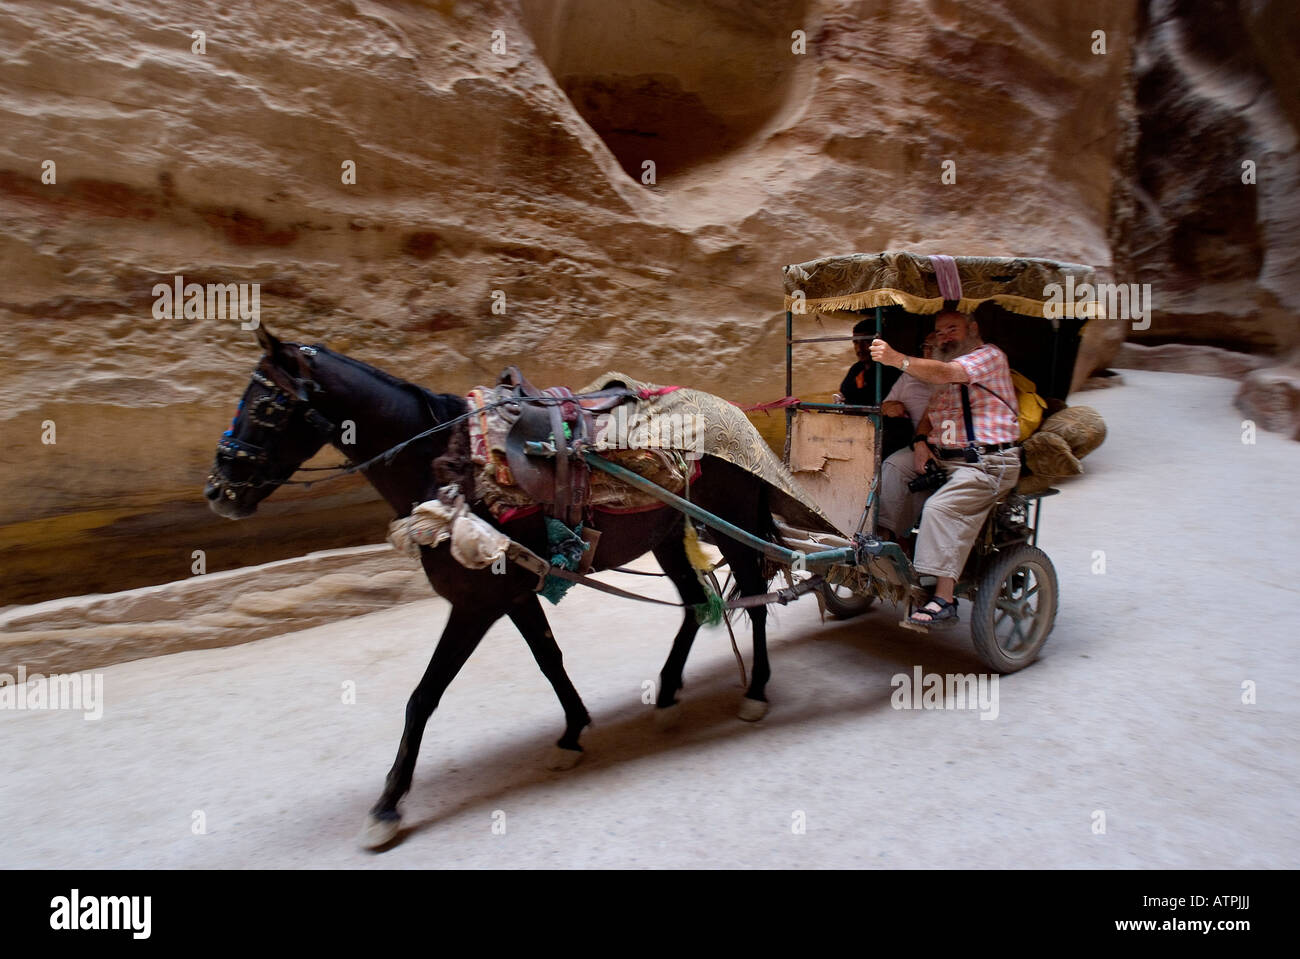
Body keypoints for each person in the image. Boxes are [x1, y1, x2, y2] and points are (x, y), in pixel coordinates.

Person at [869, 310, 1020, 628]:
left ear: (973, 328)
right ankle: (889, 548)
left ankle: (944, 599)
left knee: (940, 509)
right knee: (894, 468)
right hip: (943, 456)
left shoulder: (989, 356)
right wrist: (920, 441)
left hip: (987, 462)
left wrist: (897, 359)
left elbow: (946, 372)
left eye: (953, 329)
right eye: (939, 332)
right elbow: (930, 413)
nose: (945, 336)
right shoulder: (944, 371)